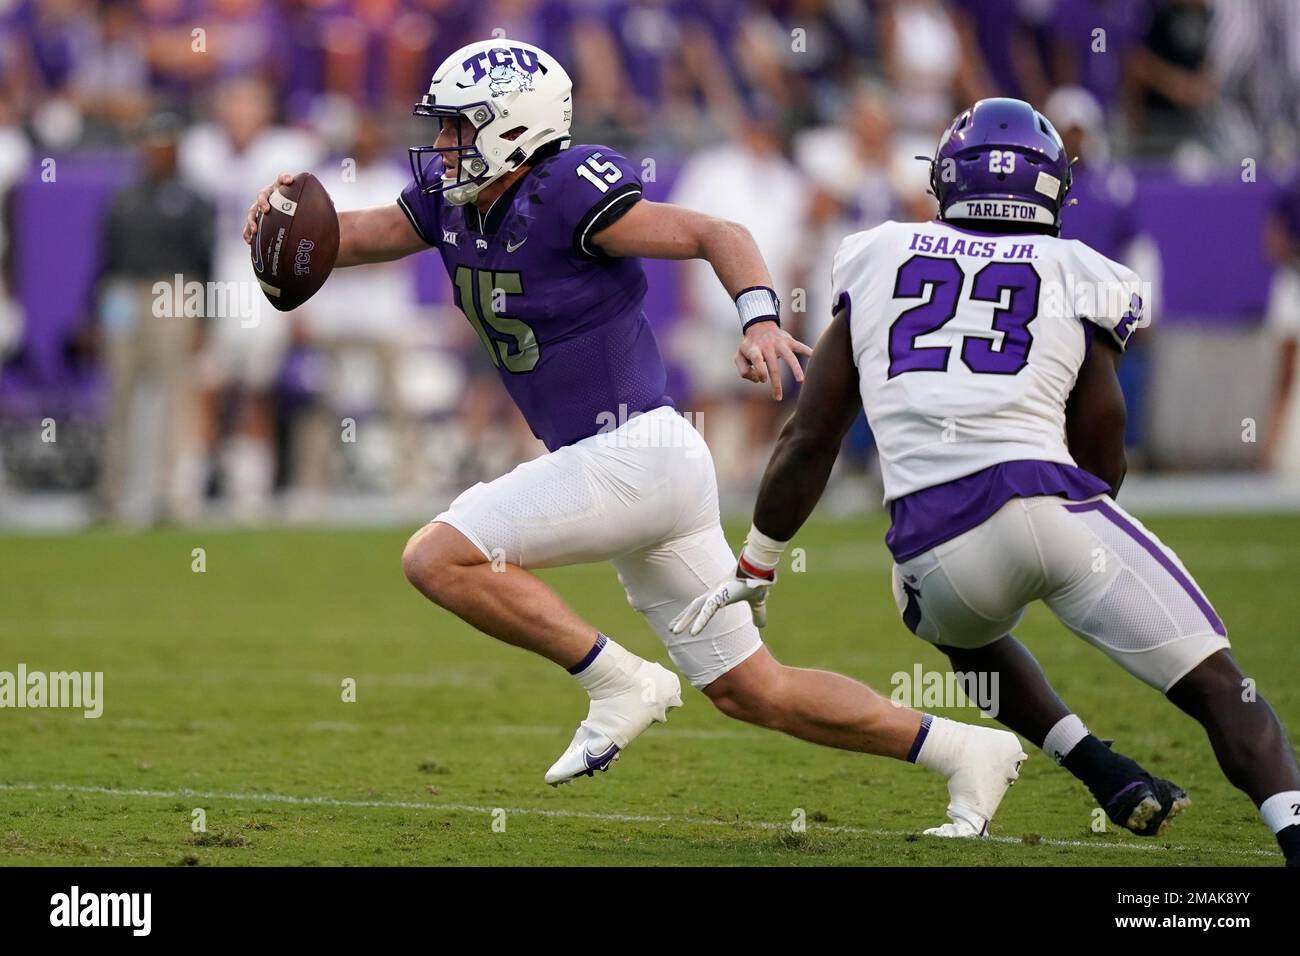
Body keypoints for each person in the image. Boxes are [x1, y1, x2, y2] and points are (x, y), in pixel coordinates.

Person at [243, 39, 1025, 837]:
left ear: (512, 129)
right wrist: (284, 231)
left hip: (635, 457)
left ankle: (619, 680)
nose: (440, 145)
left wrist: (759, 318)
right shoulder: (454, 202)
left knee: (436, 557)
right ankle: (964, 751)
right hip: (633, 469)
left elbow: (715, 232)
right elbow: (360, 234)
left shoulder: (569, 191)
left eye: (456, 128)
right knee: (753, 689)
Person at [676, 98, 1300, 864]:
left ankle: (1098, 768)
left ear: (945, 178)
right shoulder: (1079, 269)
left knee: (945, 624)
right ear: (1052, 187)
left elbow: (812, 437)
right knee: (1219, 688)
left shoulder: (878, 252)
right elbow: (1103, 441)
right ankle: (1293, 829)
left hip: (937, 552)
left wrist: (759, 561)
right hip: (1052, 501)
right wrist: (1083, 528)